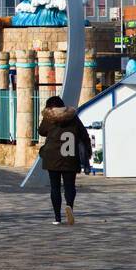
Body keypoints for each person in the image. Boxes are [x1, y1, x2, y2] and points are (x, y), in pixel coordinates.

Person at [38, 95, 92, 226]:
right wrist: (87, 153)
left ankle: (57, 217)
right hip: (71, 157)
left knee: (55, 187)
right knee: (69, 185)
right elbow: (84, 135)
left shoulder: (49, 118)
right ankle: (69, 207)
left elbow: (41, 131)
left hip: (52, 158)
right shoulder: (73, 117)